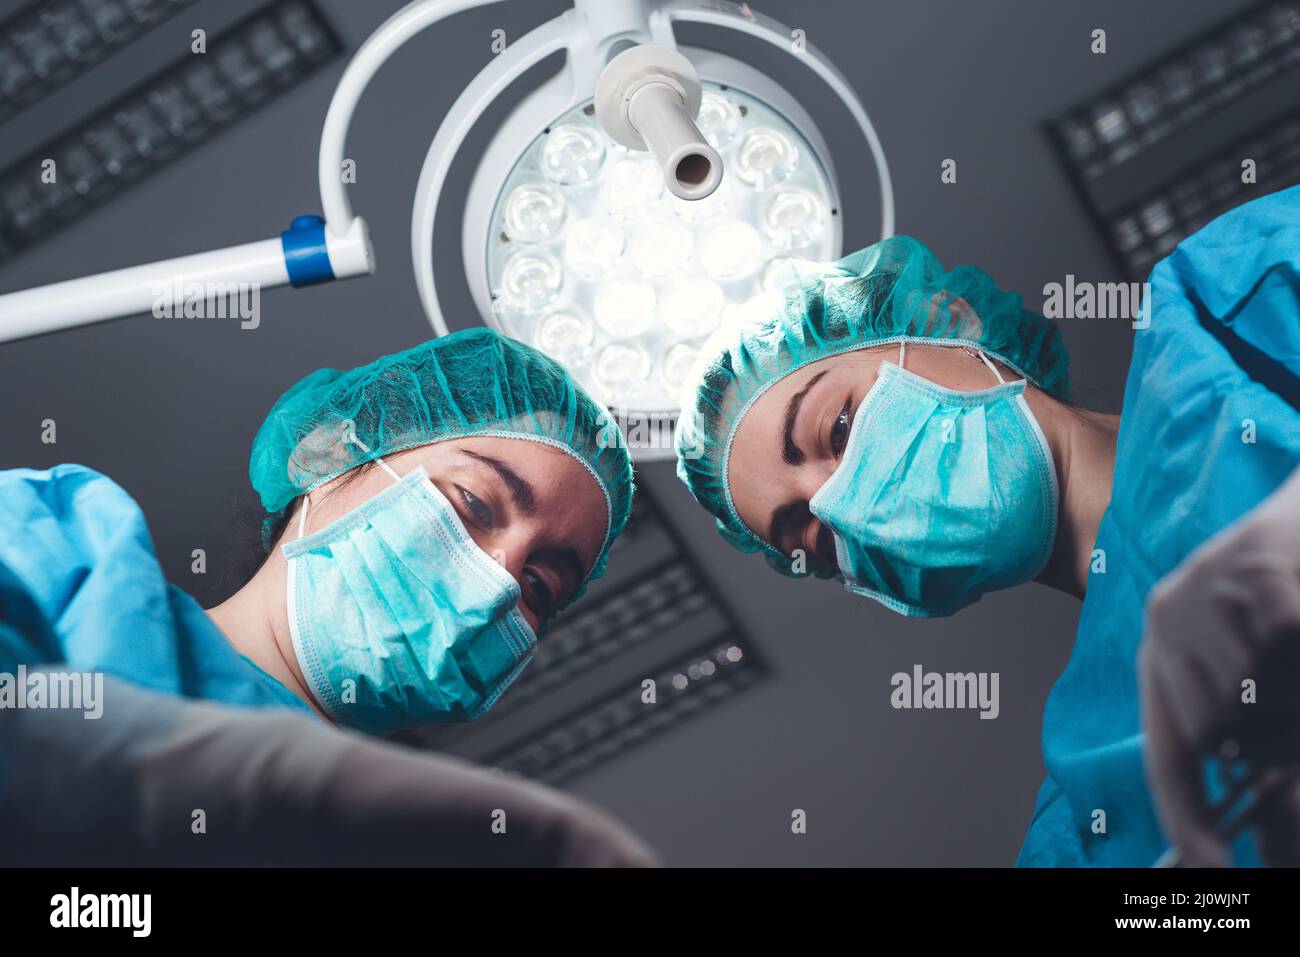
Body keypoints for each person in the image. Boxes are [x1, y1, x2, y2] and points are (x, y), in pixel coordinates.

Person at [673, 185, 1300, 865]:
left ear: (952, 321)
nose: (837, 506)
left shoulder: (1229, 306)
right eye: (814, 538)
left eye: (839, 427)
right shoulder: (1084, 821)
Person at [0, 327, 635, 733]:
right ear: (328, 453)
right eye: (473, 501)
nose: (500, 579)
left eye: (540, 584)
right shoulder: (68, 558)